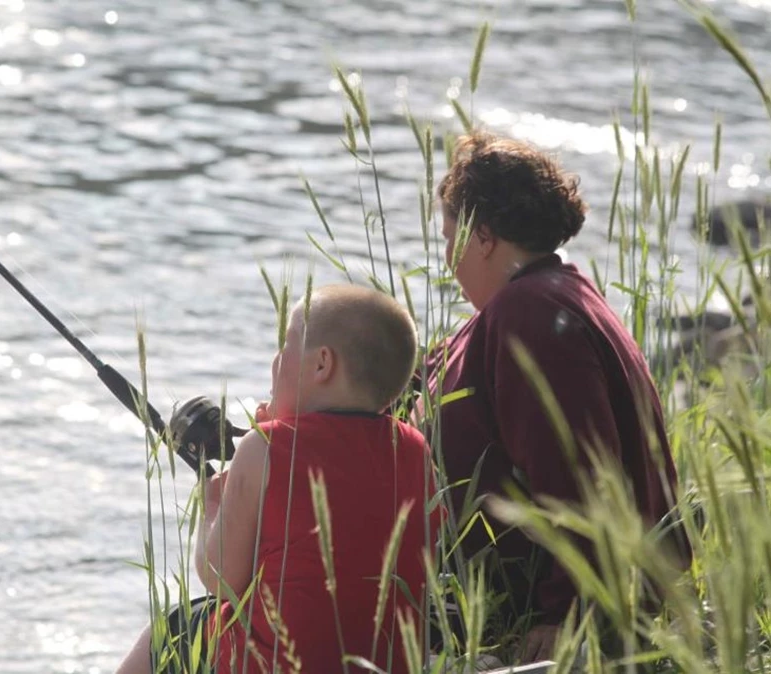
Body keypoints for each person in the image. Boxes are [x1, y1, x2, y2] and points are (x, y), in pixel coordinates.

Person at [417, 131, 690, 662]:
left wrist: (568, 610)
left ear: (485, 236)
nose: (447, 256)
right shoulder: (546, 296)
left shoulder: (533, 316)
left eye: (450, 236)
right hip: (514, 597)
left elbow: (574, 466)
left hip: (536, 612)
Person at [117, 284, 443, 674]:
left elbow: (220, 578)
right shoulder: (414, 449)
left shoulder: (265, 447)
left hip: (271, 664)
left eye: (286, 347)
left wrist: (213, 506)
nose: (275, 361)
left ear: (322, 364)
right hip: (387, 660)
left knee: (168, 631)